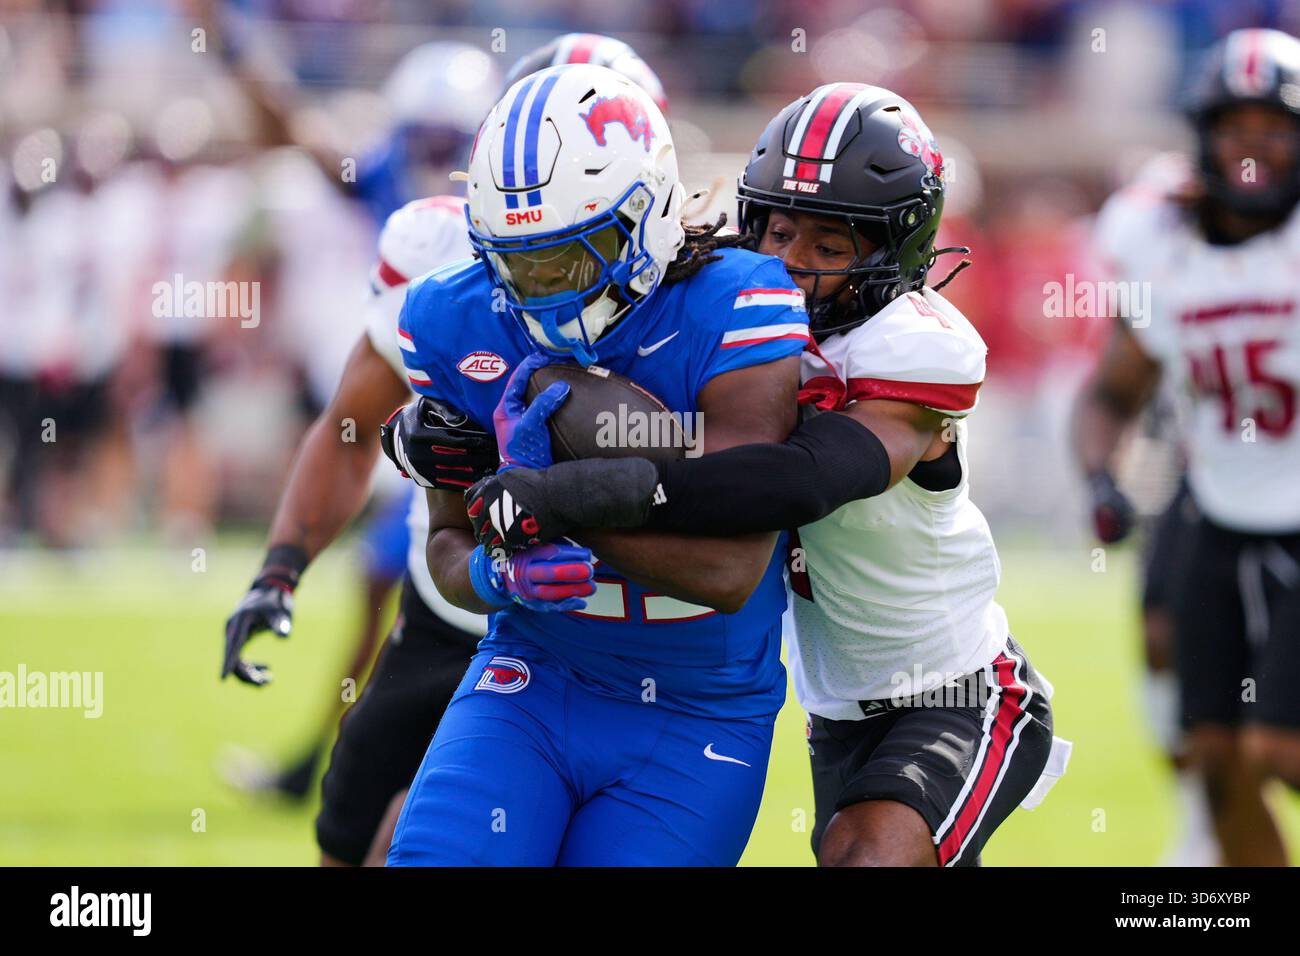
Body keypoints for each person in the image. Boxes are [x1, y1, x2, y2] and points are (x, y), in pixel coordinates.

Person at [461, 83, 1067, 866]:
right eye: (779, 230)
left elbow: (799, 480)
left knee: (868, 855)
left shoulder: (913, 344)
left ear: (897, 250)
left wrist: (577, 496)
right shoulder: (732, 312)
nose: (790, 262)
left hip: (957, 690)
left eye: (829, 245)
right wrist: (440, 432)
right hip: (835, 705)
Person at [222, 39, 677, 866]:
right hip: (455, 611)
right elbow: (352, 425)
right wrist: (280, 566)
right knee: (356, 839)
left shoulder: (704, 284)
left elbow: (747, 469)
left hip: (616, 649)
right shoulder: (437, 255)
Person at [380, 63, 811, 866]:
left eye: (570, 260)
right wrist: (497, 576)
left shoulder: (736, 301)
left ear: (644, 217)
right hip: (534, 677)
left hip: (697, 710)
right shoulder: (452, 316)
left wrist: (554, 503)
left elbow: (730, 566)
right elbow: (445, 543)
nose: (543, 294)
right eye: (519, 263)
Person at [1073, 28, 1300, 866]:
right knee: (1213, 763)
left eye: (1275, 128)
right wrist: (1101, 475)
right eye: (1236, 128)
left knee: (1281, 748)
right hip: (1220, 508)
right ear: (1203, 137)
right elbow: (1110, 389)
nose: (1254, 149)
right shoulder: (1154, 235)